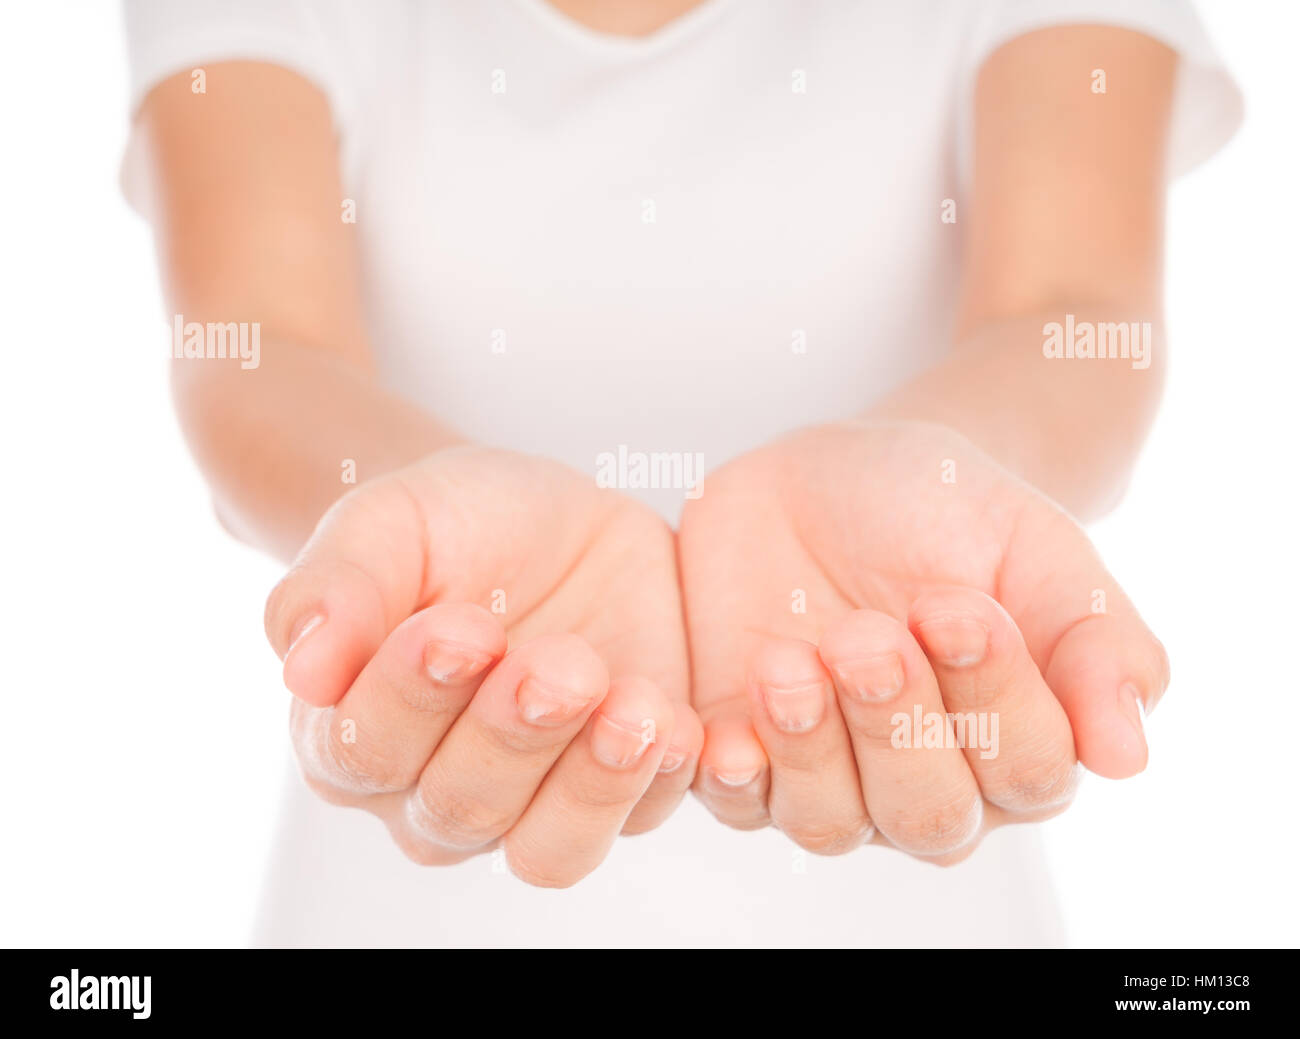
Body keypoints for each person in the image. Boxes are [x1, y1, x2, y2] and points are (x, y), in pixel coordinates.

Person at [121, 0, 1241, 946]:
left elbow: (1072, 311)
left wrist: (946, 481)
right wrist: (401, 539)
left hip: (912, 889)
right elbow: (255, 340)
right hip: (407, 870)